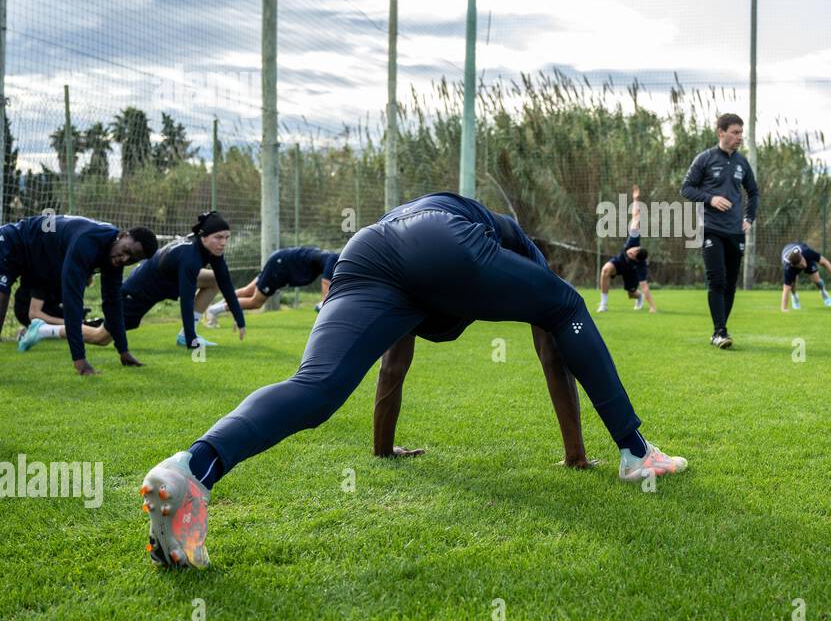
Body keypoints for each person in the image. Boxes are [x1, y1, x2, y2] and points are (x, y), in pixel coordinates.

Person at [139, 192, 687, 569]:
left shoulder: (422, 267)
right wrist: (575, 452)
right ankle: (637, 452)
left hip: (367, 250)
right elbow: (554, 341)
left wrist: (383, 450)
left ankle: (193, 468)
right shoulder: (506, 239)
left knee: (315, 388)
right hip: (437, 238)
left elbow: (391, 365)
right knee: (565, 304)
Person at [0, 214, 156, 375]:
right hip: (10, 241)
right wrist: (80, 360)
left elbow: (113, 303)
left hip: (28, 261)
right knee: (1, 296)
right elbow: (72, 301)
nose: (125, 259)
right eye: (126, 251)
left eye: (132, 260)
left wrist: (124, 350)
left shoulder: (113, 256)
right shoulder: (87, 241)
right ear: (123, 235)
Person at [681, 113, 759, 348]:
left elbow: (753, 192)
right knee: (717, 279)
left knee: (730, 282)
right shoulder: (704, 159)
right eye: (735, 132)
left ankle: (721, 330)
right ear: (721, 132)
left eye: (741, 133)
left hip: (735, 231)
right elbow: (686, 189)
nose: (739, 137)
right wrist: (710, 199)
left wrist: (749, 218)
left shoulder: (742, 162)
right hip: (710, 228)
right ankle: (719, 332)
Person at [122, 211, 246, 350]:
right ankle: (93, 325)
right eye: (218, 237)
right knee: (101, 337)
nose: (223, 243)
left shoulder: (211, 249)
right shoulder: (190, 257)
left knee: (215, 280)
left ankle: (183, 336)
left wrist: (239, 318)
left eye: (226, 237)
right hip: (142, 289)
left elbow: (225, 283)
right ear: (204, 237)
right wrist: (191, 341)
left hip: (167, 283)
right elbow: (186, 299)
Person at [205, 246, 340, 325]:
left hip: (280, 261)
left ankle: (213, 309)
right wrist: (324, 306)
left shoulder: (333, 258)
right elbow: (326, 285)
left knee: (248, 290)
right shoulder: (334, 260)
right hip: (280, 267)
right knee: (256, 302)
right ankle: (214, 310)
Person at [598, 185, 656, 314]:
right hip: (619, 262)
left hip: (631, 273)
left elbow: (645, 286)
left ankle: (638, 297)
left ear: (636, 258)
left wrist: (652, 306)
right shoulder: (633, 240)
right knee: (605, 270)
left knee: (632, 294)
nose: (630, 251)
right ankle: (603, 304)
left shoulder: (640, 266)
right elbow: (636, 216)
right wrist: (635, 199)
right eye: (633, 249)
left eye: (633, 253)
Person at [13, 283, 111, 353]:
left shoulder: (71, 281)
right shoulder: (45, 277)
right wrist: (67, 323)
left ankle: (38, 330)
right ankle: (35, 330)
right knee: (95, 335)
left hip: (49, 307)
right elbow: (34, 314)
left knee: (78, 316)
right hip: (27, 310)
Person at [780, 242, 831, 310]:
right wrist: (784, 309)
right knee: (792, 285)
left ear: (802, 256)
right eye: (800, 265)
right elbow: (786, 288)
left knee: (816, 280)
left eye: (803, 261)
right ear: (794, 266)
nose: (804, 265)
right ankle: (795, 297)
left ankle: (823, 291)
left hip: (804, 257)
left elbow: (825, 262)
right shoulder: (788, 268)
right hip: (791, 261)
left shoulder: (806, 252)